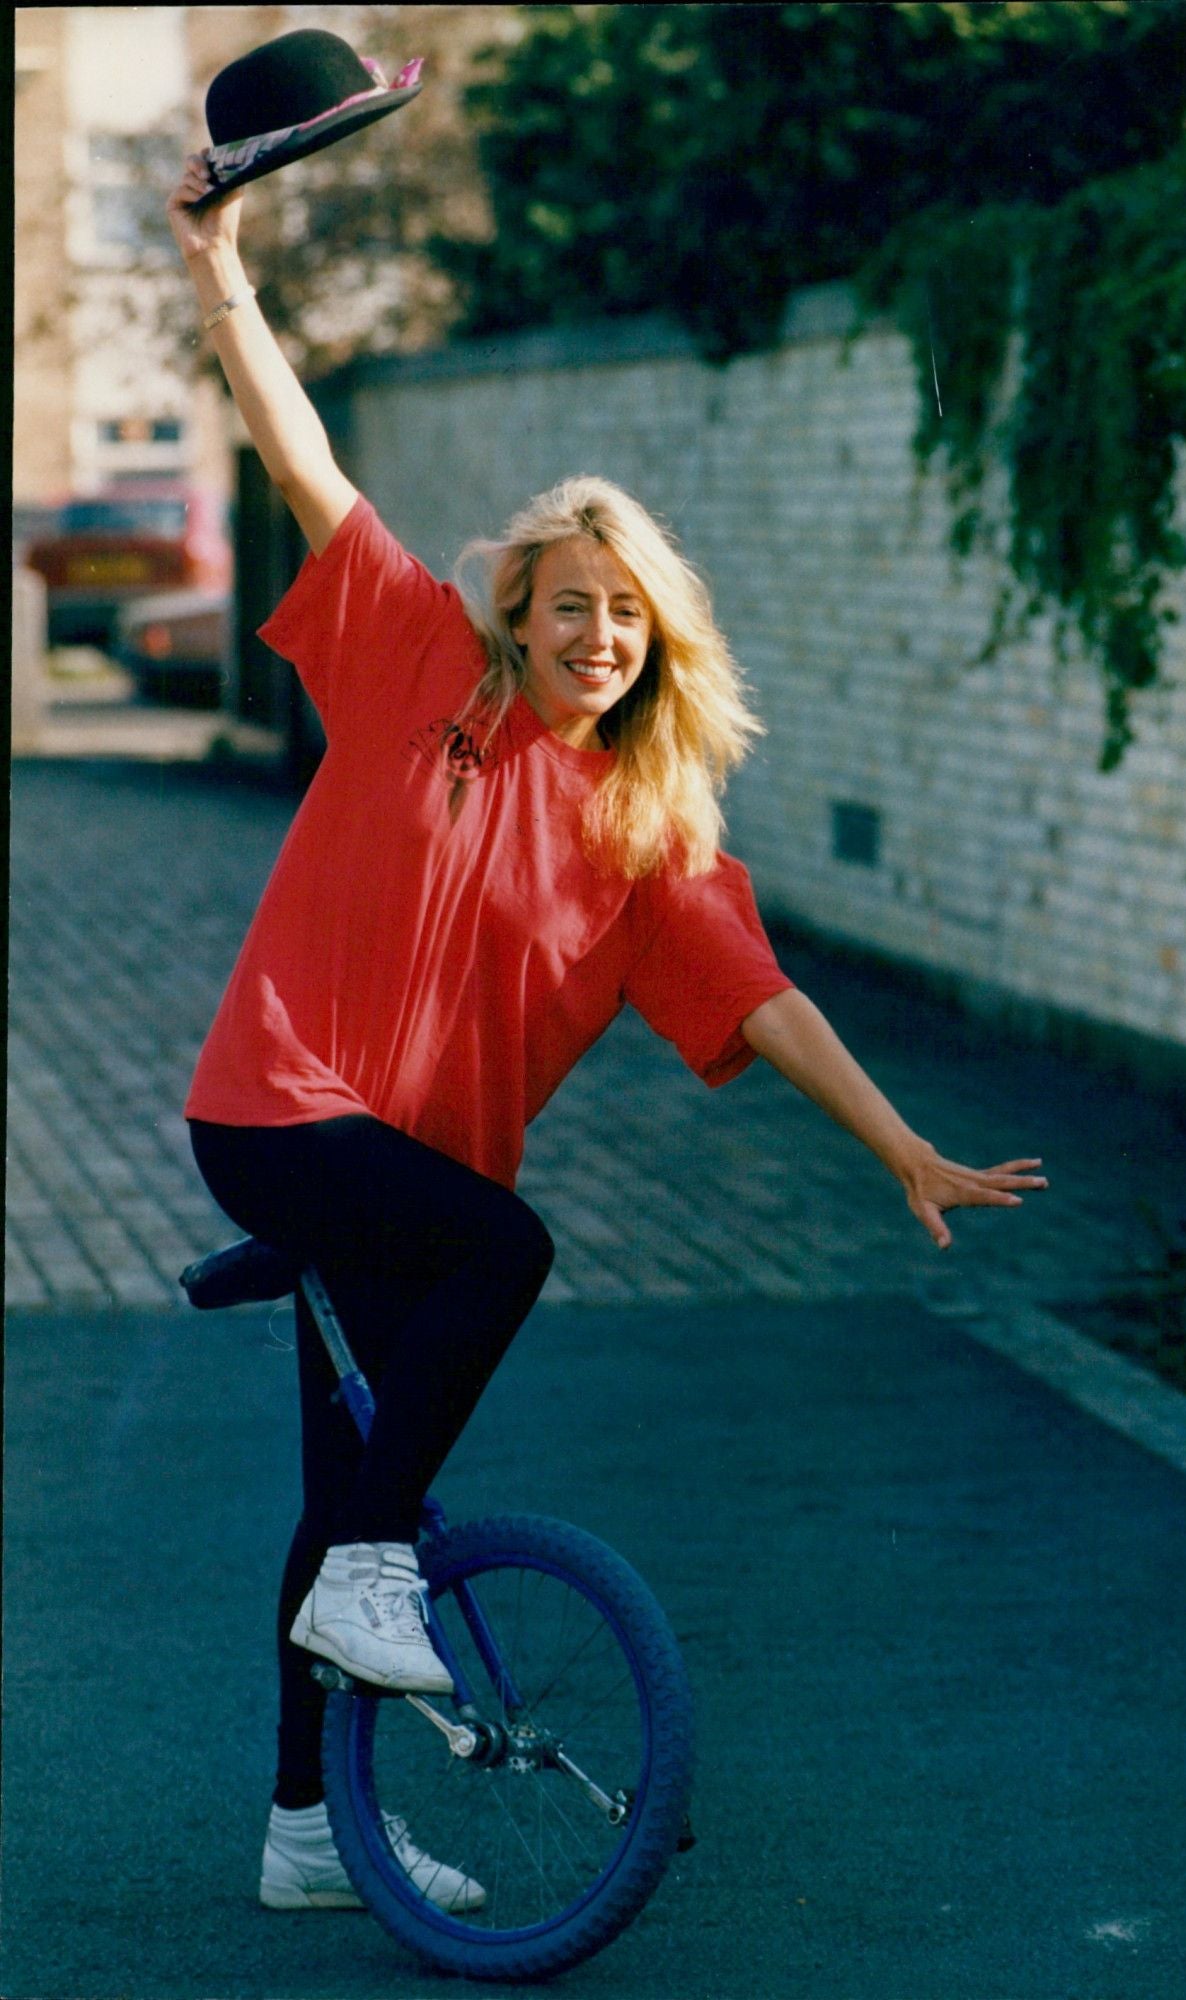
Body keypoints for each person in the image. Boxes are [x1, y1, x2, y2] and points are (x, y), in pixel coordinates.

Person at [167, 151, 1048, 1917]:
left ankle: (296, 1832)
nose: (596, 632)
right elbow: (301, 459)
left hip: (403, 1175)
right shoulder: (418, 661)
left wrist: (899, 1147)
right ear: (518, 611)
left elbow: (765, 1000)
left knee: (351, 1491)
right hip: (278, 1105)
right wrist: (223, 277)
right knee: (501, 1268)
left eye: (626, 614)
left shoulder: (653, 838)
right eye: (569, 601)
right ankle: (360, 1589)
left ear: (658, 646)